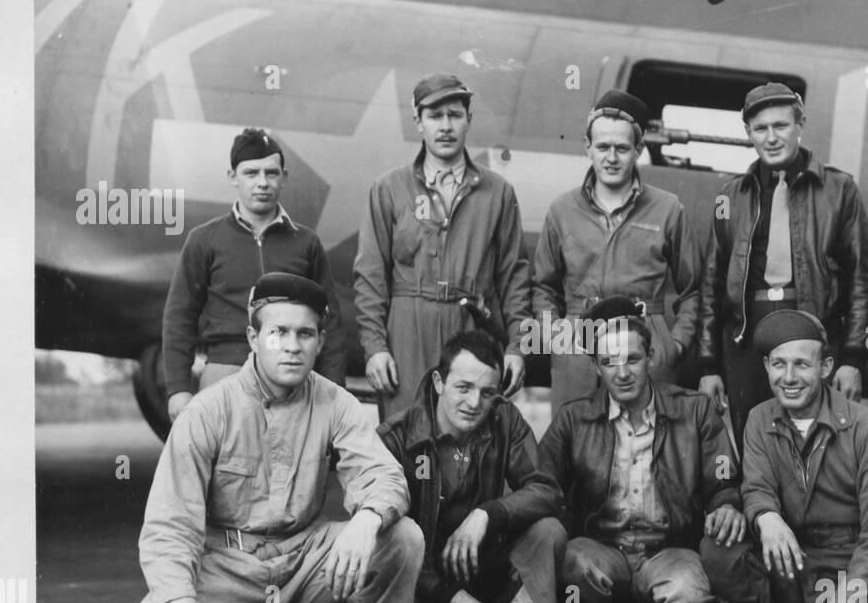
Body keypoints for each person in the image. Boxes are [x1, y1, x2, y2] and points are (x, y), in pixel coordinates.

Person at [125, 273, 422, 603]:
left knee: (402, 538)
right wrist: (179, 599)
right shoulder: (207, 411)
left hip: (304, 563)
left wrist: (366, 520)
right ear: (253, 337)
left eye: (304, 333)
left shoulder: (337, 403)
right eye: (277, 332)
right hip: (227, 568)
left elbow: (384, 475)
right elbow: (170, 523)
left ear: (321, 340)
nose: (292, 345)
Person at [538, 297, 745, 603]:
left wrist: (728, 503)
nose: (622, 373)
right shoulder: (573, 418)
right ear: (596, 368)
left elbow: (725, 476)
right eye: (609, 363)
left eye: (632, 359)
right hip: (602, 549)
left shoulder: (695, 410)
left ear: (650, 357)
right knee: (575, 565)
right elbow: (542, 482)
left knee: (690, 596)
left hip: (667, 549)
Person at [720, 310, 868, 603]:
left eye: (802, 364)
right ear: (766, 366)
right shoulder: (758, 419)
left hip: (845, 571)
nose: (789, 377)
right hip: (794, 563)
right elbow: (757, 487)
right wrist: (766, 517)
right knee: (722, 551)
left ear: (826, 367)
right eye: (778, 364)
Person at [377, 330, 566, 603]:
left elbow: (546, 489)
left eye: (486, 392)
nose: (474, 403)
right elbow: (388, 544)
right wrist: (451, 596)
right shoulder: (395, 438)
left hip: (482, 561)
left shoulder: (504, 420)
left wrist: (489, 513)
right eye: (463, 387)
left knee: (549, 532)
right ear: (438, 382)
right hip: (420, 581)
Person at [697, 82, 868, 448]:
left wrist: (854, 358)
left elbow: (863, 279)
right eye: (760, 129)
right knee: (755, 444)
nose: (771, 137)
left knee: (817, 446)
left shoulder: (840, 189)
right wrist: (708, 365)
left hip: (812, 329)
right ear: (748, 133)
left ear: (800, 125)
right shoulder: (729, 196)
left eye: (780, 126)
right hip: (747, 338)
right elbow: (711, 286)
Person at [354, 73, 531, 418]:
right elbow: (370, 276)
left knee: (471, 441)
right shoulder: (389, 189)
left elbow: (515, 279)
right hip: (407, 330)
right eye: (435, 117)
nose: (446, 126)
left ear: (469, 120)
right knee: (405, 437)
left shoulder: (498, 193)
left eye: (455, 115)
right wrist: (375, 348)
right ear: (418, 122)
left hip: (473, 328)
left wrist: (517, 348)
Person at [532, 90, 702, 412]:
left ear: (639, 149)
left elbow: (693, 290)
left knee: (645, 449)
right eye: (603, 147)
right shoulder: (562, 210)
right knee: (574, 449)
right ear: (588, 148)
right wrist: (556, 337)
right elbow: (543, 287)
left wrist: (674, 344)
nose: (611, 158)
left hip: (645, 347)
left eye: (622, 148)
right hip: (578, 350)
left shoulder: (668, 210)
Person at [163, 127, 347, 424]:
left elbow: (331, 323)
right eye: (251, 173)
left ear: (283, 178)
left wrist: (334, 392)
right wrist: (178, 390)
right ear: (232, 176)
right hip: (224, 375)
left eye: (271, 173)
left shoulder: (306, 242)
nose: (262, 183)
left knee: (294, 467)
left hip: (292, 376)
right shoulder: (204, 240)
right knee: (225, 468)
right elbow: (179, 317)